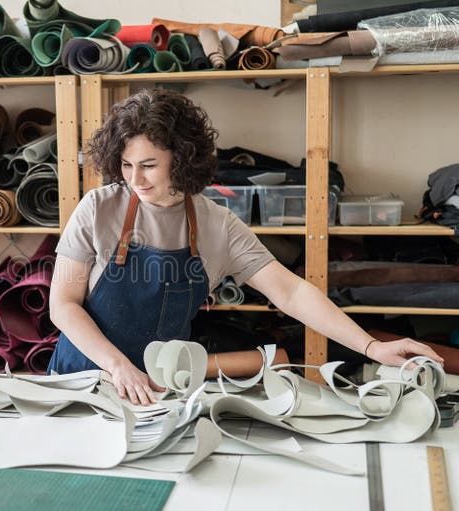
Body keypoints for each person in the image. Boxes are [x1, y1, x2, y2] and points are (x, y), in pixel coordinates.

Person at [47, 88, 444, 406]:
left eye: (149, 165)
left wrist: (372, 346)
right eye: (126, 164)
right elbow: (63, 304)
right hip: (81, 384)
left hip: (160, 393)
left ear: (182, 159)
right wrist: (117, 367)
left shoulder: (218, 226)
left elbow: (290, 291)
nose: (135, 178)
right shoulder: (97, 209)